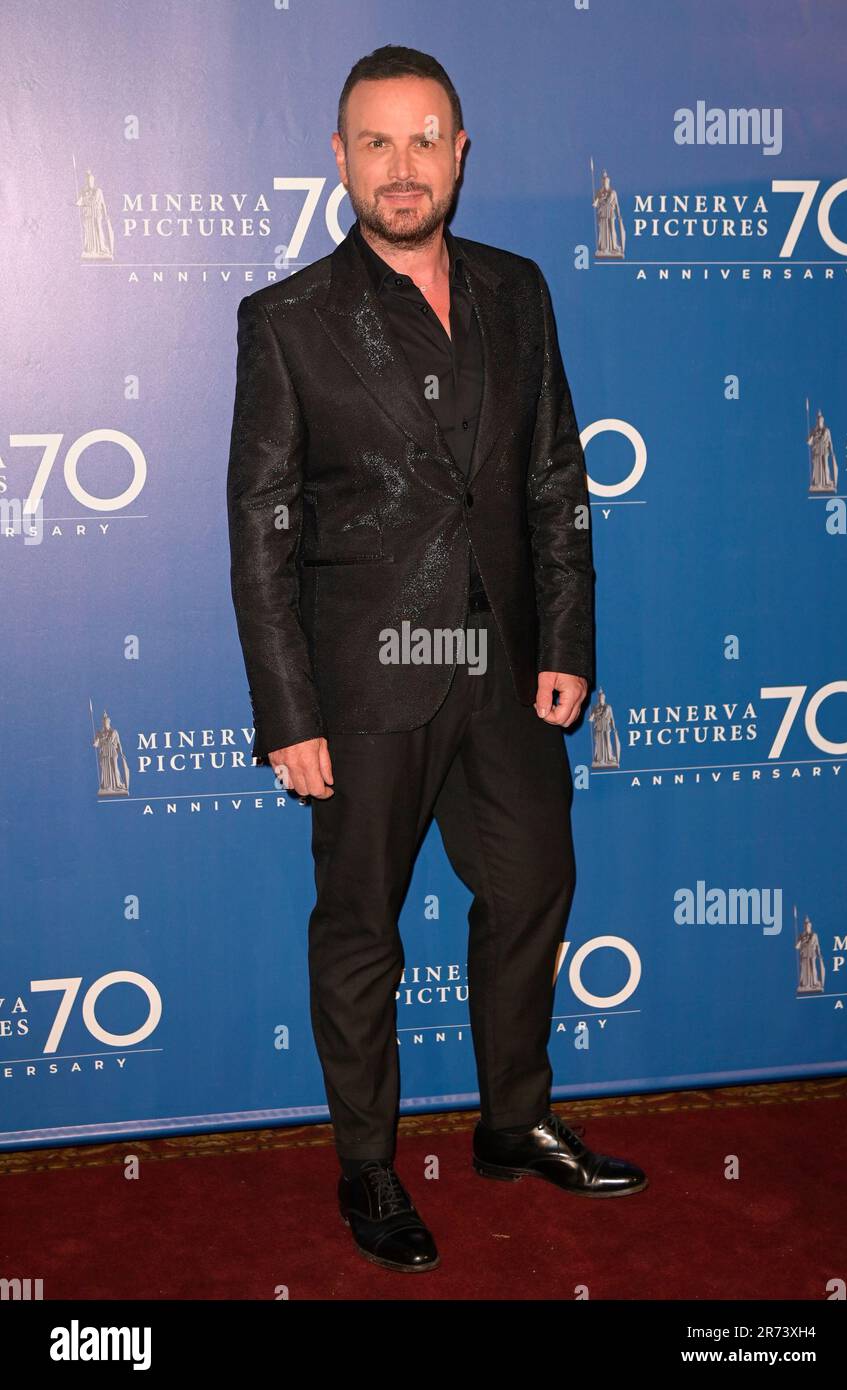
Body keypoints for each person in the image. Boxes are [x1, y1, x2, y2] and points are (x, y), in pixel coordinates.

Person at [226, 44, 647, 1275]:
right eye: (375, 142)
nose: (401, 168)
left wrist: (564, 638)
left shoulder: (518, 291)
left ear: (459, 153)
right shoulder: (287, 320)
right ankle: (366, 1169)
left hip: (505, 669)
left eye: (424, 140)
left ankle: (511, 1121)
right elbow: (259, 534)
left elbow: (553, 479)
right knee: (360, 926)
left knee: (528, 893)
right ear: (341, 158)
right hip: (362, 688)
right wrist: (286, 711)